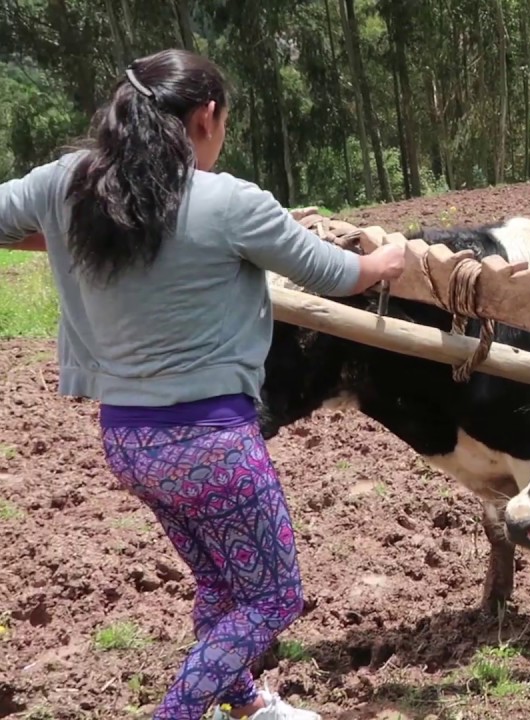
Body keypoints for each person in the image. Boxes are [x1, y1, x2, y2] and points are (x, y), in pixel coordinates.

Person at [0, 49, 405, 720]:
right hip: (212, 446)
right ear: (205, 117)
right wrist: (387, 260)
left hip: (129, 443)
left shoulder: (65, 187)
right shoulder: (229, 202)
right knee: (273, 598)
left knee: (220, 582)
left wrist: (63, 233)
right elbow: (335, 274)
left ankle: (246, 704)